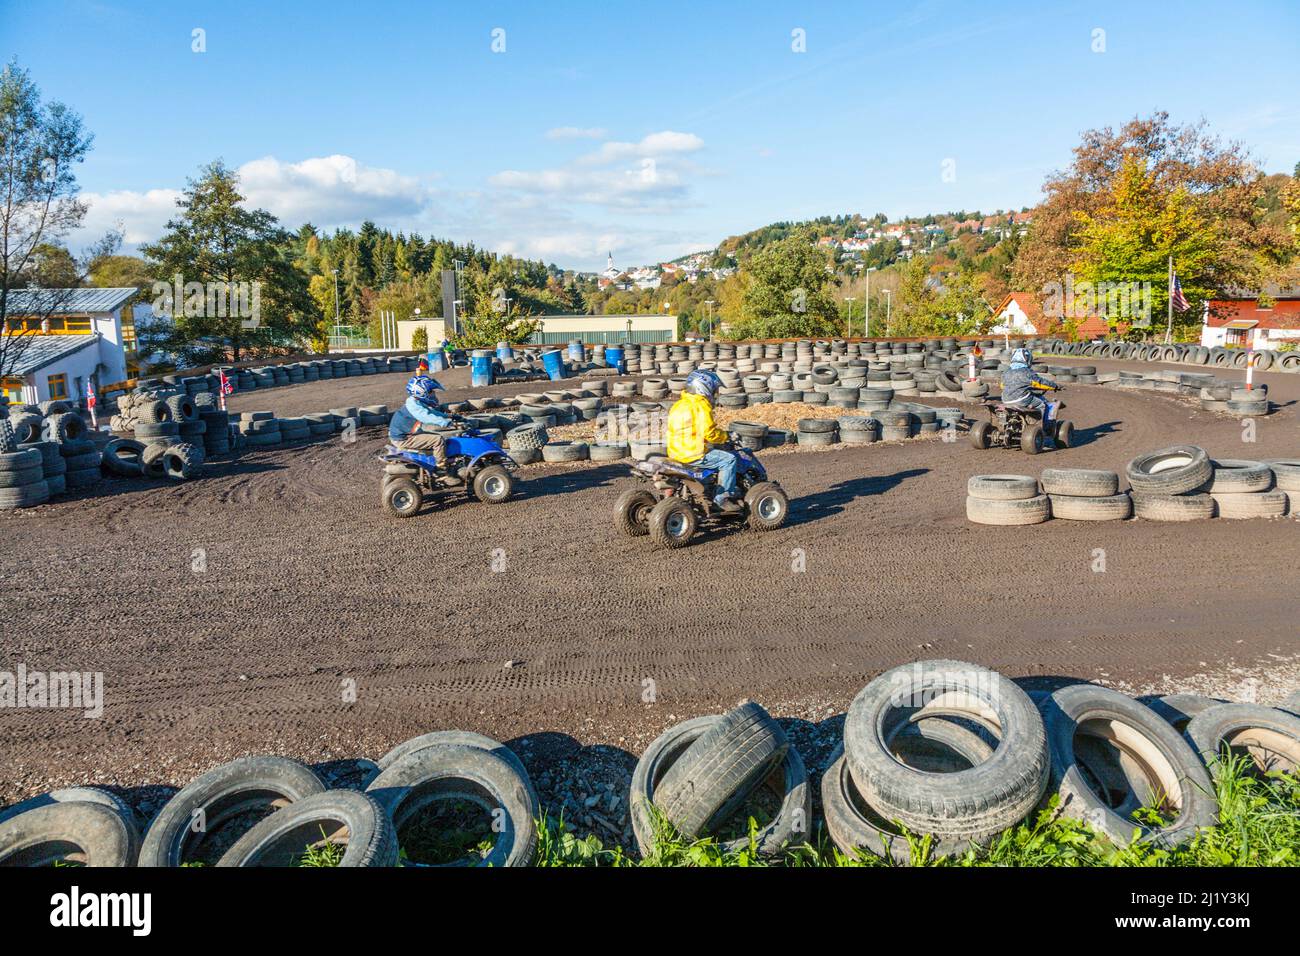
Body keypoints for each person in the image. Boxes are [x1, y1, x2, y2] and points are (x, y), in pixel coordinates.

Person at [666, 369, 742, 512]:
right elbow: (709, 433)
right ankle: (722, 498)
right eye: (713, 389)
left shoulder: (679, 405)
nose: (714, 393)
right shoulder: (701, 405)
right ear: (704, 387)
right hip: (693, 453)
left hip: (675, 452)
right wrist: (727, 436)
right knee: (729, 460)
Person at [388, 375, 457, 469]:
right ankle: (441, 465)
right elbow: (427, 417)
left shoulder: (414, 402)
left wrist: (448, 416)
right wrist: (446, 423)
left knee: (431, 435)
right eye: (431, 392)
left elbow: (432, 412)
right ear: (421, 392)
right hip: (403, 438)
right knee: (438, 440)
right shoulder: (414, 407)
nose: (433, 394)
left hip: (402, 435)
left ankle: (435, 456)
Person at [1001, 347, 1061, 446]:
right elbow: (1040, 383)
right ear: (1028, 360)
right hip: (1021, 399)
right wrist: (1055, 386)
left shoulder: (1006, 372)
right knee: (1042, 404)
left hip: (1006, 400)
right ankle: (1040, 428)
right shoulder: (1027, 372)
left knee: (1028, 398)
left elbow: (1002, 385)